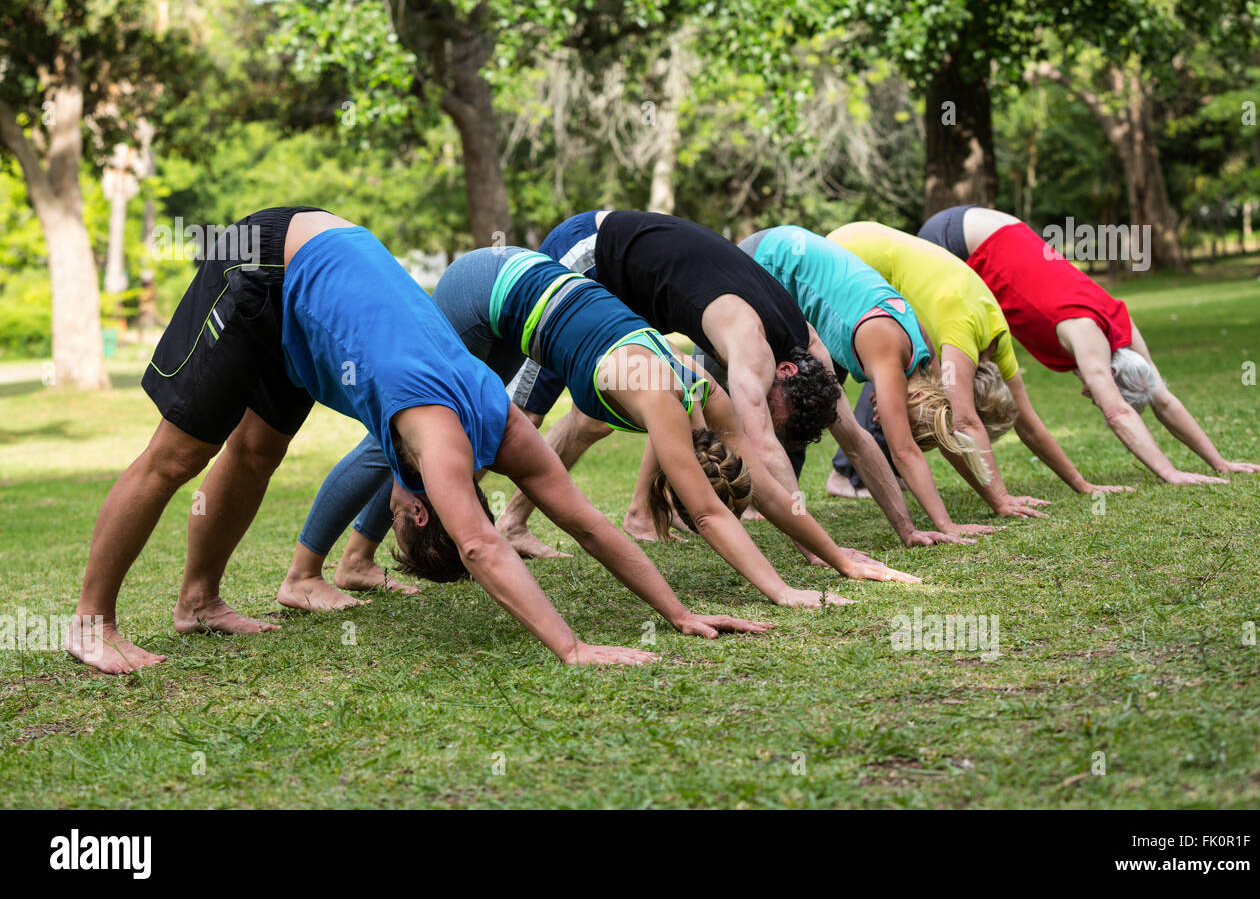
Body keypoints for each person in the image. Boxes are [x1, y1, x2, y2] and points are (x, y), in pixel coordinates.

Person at [65, 208, 740, 674]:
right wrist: (572, 647)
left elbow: (587, 524)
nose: (389, 513)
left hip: (310, 293)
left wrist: (679, 614)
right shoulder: (448, 441)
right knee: (179, 454)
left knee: (257, 452)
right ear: (418, 509)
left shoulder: (500, 428)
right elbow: (482, 541)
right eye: (397, 523)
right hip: (269, 254)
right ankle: (90, 623)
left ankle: (198, 601)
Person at [282, 246, 918, 615]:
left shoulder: (703, 390)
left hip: (528, 294)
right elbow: (709, 514)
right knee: (404, 428)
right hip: (488, 286)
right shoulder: (667, 400)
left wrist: (837, 559)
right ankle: (321, 568)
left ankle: (363, 555)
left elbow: (761, 489)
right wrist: (784, 591)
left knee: (444, 436)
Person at [496, 210, 964, 559]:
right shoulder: (752, 351)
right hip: (591, 253)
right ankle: (453, 512)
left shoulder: (812, 354)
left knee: (593, 418)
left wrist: (906, 528)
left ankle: (514, 523)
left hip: (634, 293)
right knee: (525, 411)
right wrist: (817, 549)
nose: (758, 409)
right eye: (771, 407)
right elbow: (762, 447)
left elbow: (859, 442)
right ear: (783, 374)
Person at [917, 206, 1260, 484]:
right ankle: (878, 461)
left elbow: (1162, 397)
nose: (1089, 394)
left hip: (993, 227)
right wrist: (1171, 473)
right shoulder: (1088, 338)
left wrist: (1219, 462)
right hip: (957, 238)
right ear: (1110, 373)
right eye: (1099, 390)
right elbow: (1118, 412)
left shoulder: (1123, 329)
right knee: (916, 354)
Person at [827, 221, 1132, 518]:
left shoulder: (996, 340)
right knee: (826, 377)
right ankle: (837, 475)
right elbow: (962, 423)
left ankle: (844, 472)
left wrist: (1082, 484)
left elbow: (1028, 424)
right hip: (852, 253)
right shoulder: (961, 332)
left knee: (874, 370)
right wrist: (1000, 499)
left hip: (863, 241)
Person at [739, 226, 1000, 538]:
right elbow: (904, 451)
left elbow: (944, 432)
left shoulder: (921, 354)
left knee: (802, 404)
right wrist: (946, 525)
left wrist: (997, 500)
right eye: (897, 420)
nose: (880, 420)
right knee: (721, 385)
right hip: (768, 258)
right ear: (913, 400)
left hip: (788, 249)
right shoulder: (889, 355)